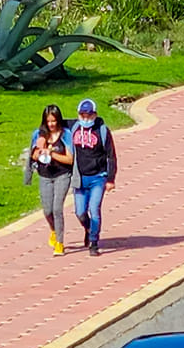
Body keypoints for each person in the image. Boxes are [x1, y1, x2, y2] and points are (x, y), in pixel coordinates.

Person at [67, 98, 118, 256]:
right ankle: (88, 228)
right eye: (83, 115)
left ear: (95, 114)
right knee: (80, 212)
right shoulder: (74, 127)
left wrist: (110, 178)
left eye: (89, 115)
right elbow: (53, 122)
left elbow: (111, 156)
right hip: (80, 178)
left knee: (94, 208)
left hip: (98, 177)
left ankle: (94, 243)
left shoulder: (102, 131)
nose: (86, 119)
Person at [28, 104, 75, 255]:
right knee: (47, 210)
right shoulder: (39, 134)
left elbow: (70, 159)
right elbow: (33, 155)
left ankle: (60, 243)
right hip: (45, 175)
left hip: (62, 174)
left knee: (57, 208)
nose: (51, 124)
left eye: (54, 121)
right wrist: (40, 152)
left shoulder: (66, 134)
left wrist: (52, 154)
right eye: (48, 121)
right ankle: (53, 230)